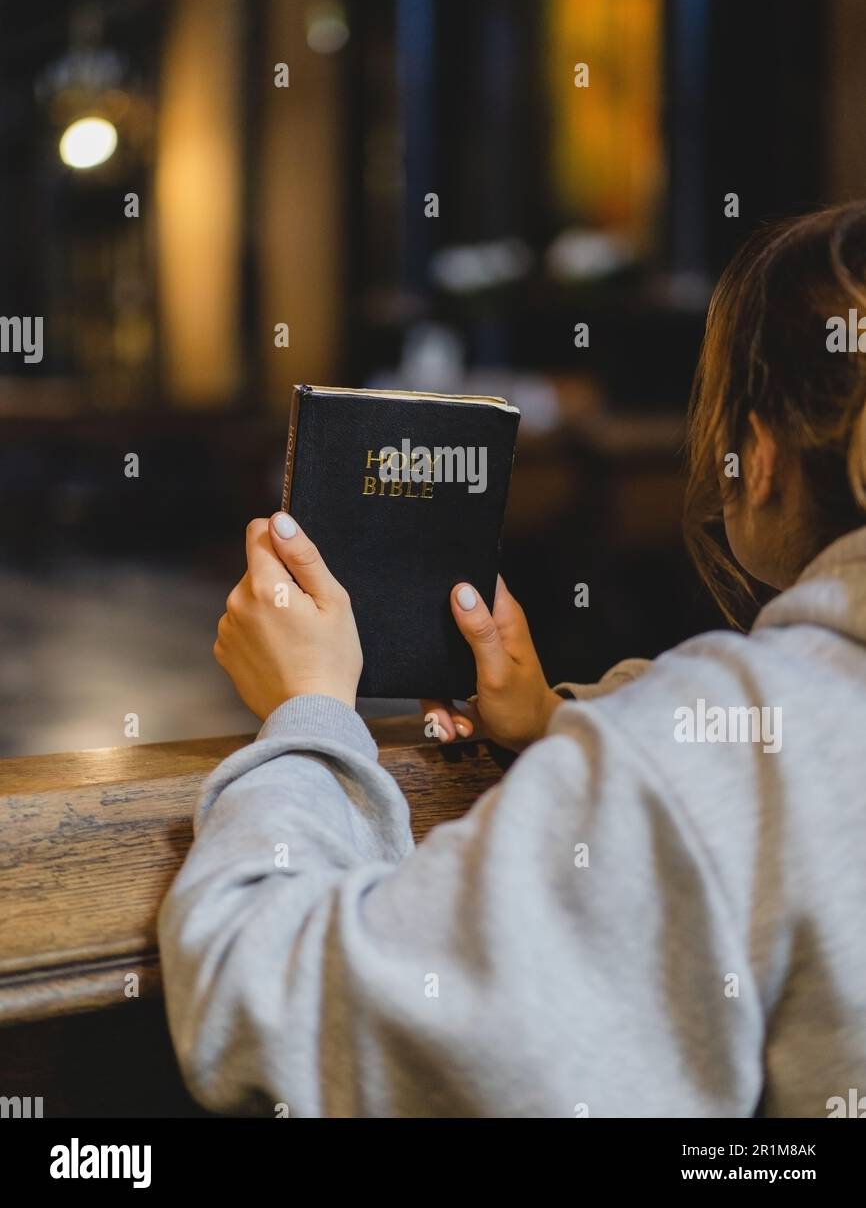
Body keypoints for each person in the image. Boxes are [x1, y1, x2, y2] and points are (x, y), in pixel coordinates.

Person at [159, 203, 866, 1118]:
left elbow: (262, 1012)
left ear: (759, 455)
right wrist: (563, 725)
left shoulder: (725, 764)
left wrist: (308, 719)